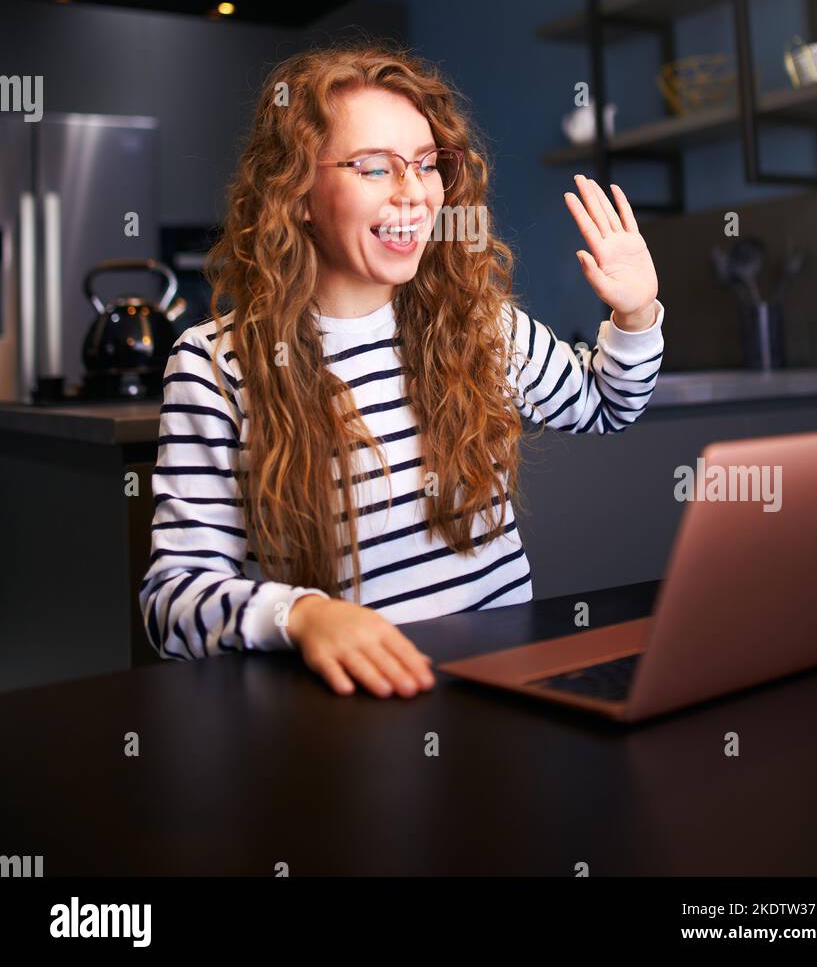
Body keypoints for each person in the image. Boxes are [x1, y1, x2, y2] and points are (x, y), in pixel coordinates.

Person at [140, 38, 664, 698]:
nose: (414, 195)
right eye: (374, 169)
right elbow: (173, 602)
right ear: (298, 193)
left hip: (507, 692)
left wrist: (637, 312)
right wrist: (302, 614)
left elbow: (606, 404)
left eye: (425, 165)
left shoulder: (477, 322)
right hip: (346, 712)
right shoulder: (215, 364)